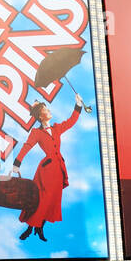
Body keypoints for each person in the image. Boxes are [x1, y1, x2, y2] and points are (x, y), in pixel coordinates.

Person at [10, 94, 83, 242]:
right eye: (45, 109)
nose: (48, 110)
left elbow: (71, 121)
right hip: (45, 172)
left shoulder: (57, 128)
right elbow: (27, 146)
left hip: (58, 171)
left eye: (47, 108)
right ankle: (30, 228)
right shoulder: (36, 133)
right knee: (38, 200)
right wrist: (17, 163)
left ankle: (40, 228)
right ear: (40, 117)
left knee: (50, 201)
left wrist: (78, 105)